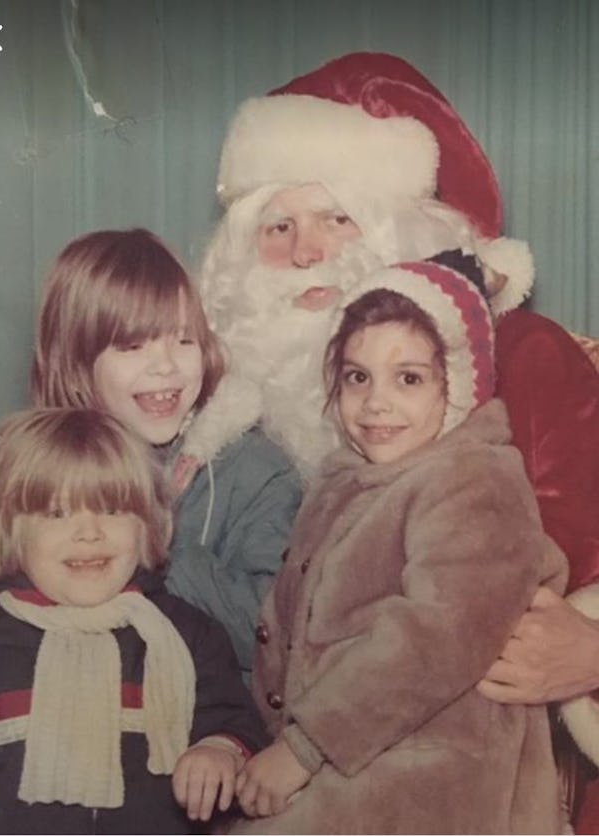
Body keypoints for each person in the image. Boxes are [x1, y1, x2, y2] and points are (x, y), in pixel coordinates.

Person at [180, 52, 599, 825]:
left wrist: (595, 652)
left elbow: (458, 609)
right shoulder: (223, 412)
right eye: (279, 226)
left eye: (338, 217)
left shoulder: (526, 358)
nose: (307, 254)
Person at [228, 261, 567, 834]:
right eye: (357, 377)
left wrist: (304, 749)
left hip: (436, 768)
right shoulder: (343, 481)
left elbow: (435, 636)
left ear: (459, 384)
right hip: (348, 756)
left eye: (408, 379)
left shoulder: (473, 478)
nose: (376, 403)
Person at [0, 407, 268, 834]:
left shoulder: (187, 632)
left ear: (146, 523)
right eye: (57, 513)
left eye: (111, 510)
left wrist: (218, 749)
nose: (90, 533)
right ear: (6, 527)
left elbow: (235, 720)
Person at [30, 228, 302, 677]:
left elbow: (270, 639)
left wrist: (158, 538)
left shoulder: (256, 471)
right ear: (77, 361)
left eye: (183, 339)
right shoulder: (36, 472)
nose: (165, 365)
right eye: (133, 345)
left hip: (211, 726)